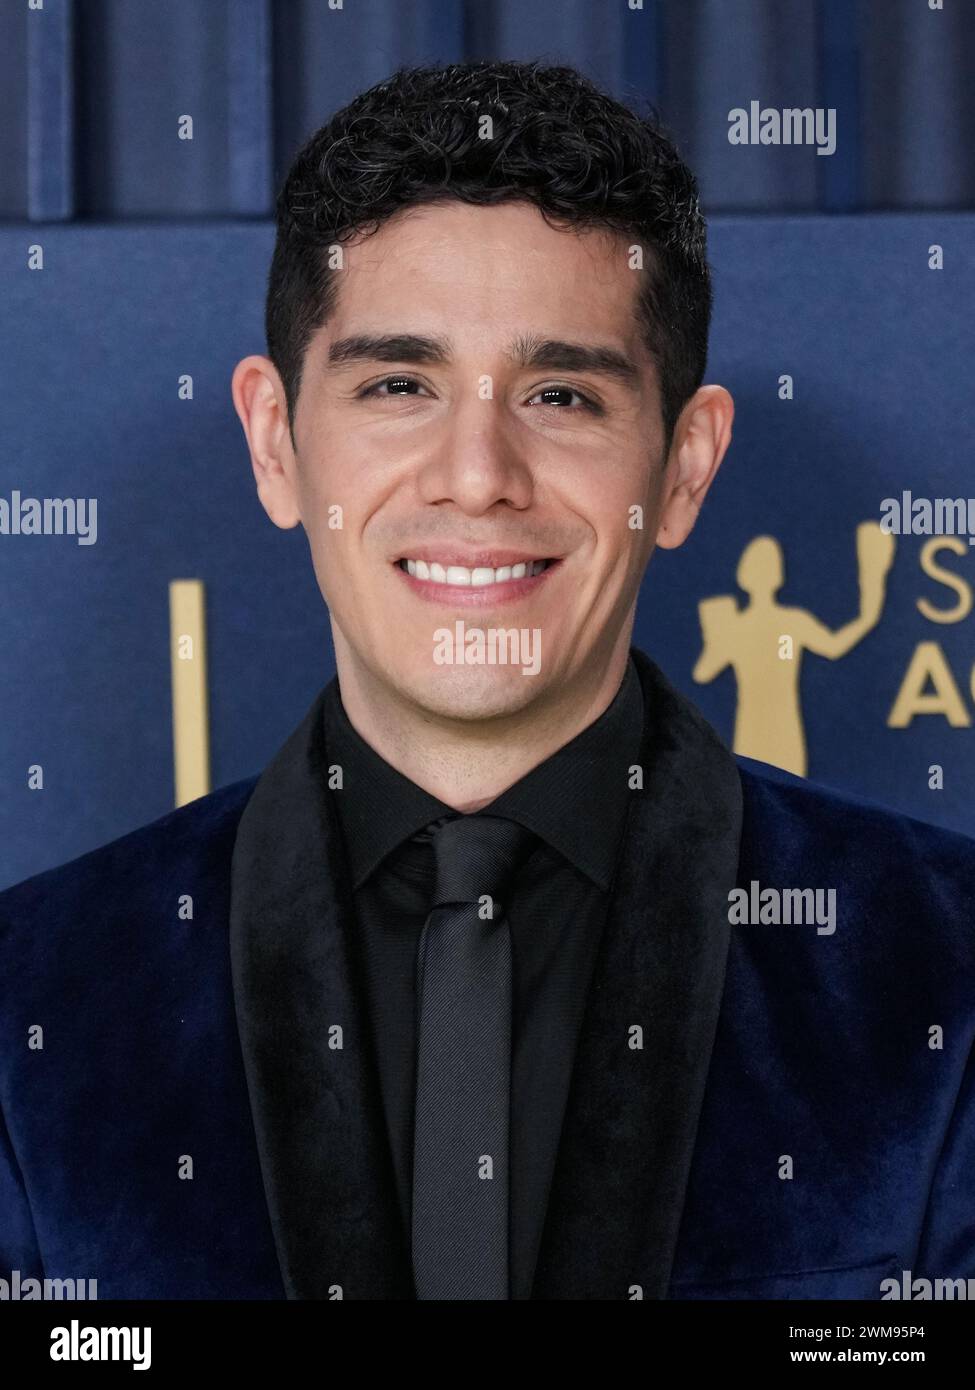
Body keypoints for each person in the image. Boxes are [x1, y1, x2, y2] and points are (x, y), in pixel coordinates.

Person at [1, 60, 972, 1303]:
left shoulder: (942, 972)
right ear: (274, 440)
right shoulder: (33, 1000)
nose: (477, 474)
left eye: (561, 393)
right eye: (399, 385)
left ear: (682, 467)